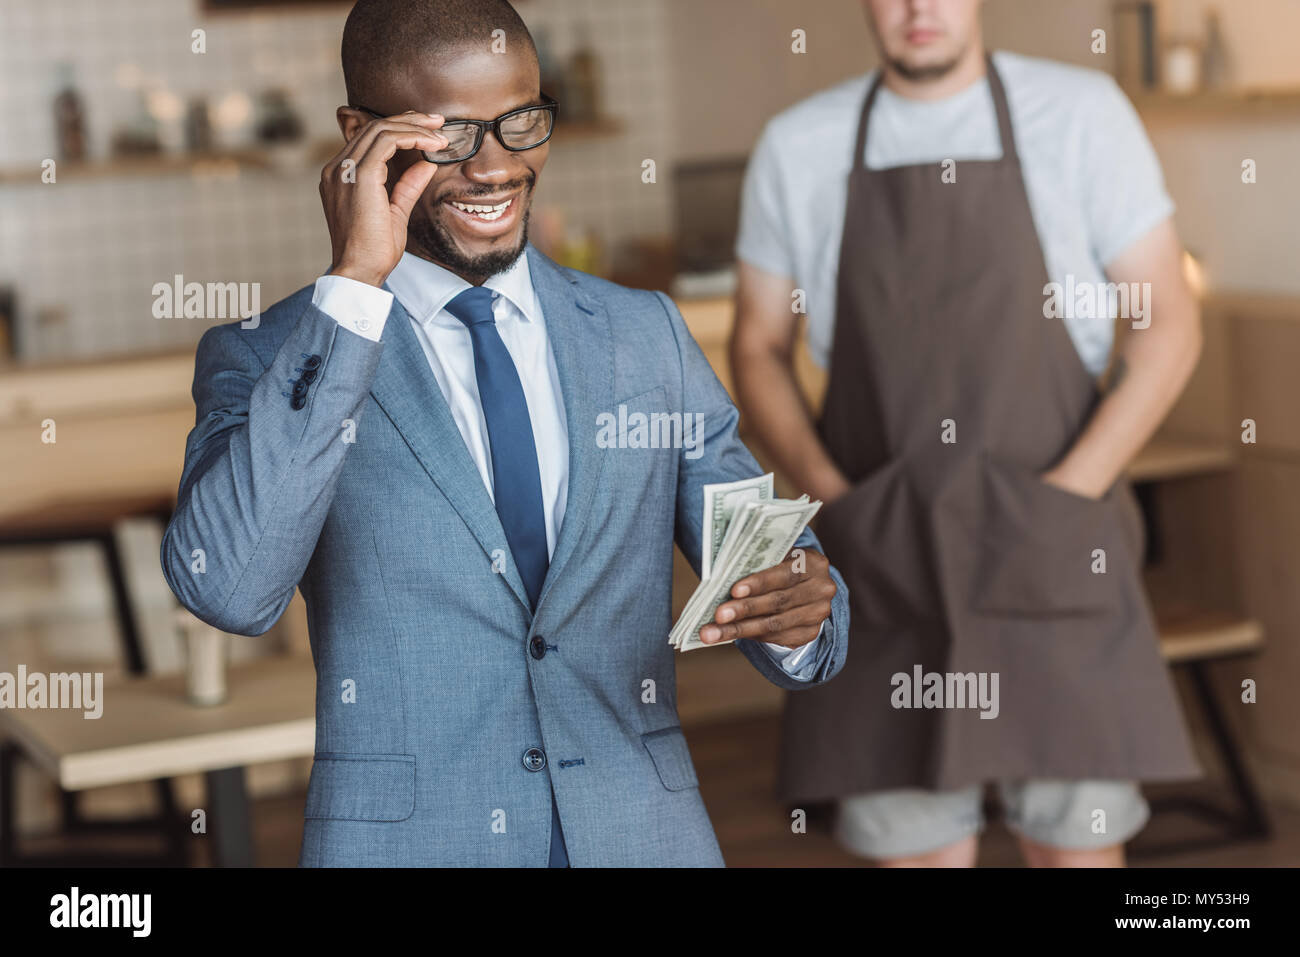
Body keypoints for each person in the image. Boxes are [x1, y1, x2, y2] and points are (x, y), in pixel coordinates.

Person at [161, 0, 848, 867]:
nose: (496, 166)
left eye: (520, 121)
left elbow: (760, 557)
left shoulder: (645, 337)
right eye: (449, 133)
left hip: (642, 837)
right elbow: (227, 588)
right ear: (357, 137)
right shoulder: (269, 356)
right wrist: (354, 286)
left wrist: (792, 609)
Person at [731, 0, 1202, 867]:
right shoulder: (798, 145)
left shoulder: (1083, 113)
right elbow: (756, 346)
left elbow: (1167, 319)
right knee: (918, 850)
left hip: (1054, 549)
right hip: (882, 557)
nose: (919, 8)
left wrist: (1066, 498)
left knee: (1075, 846)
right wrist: (839, 502)